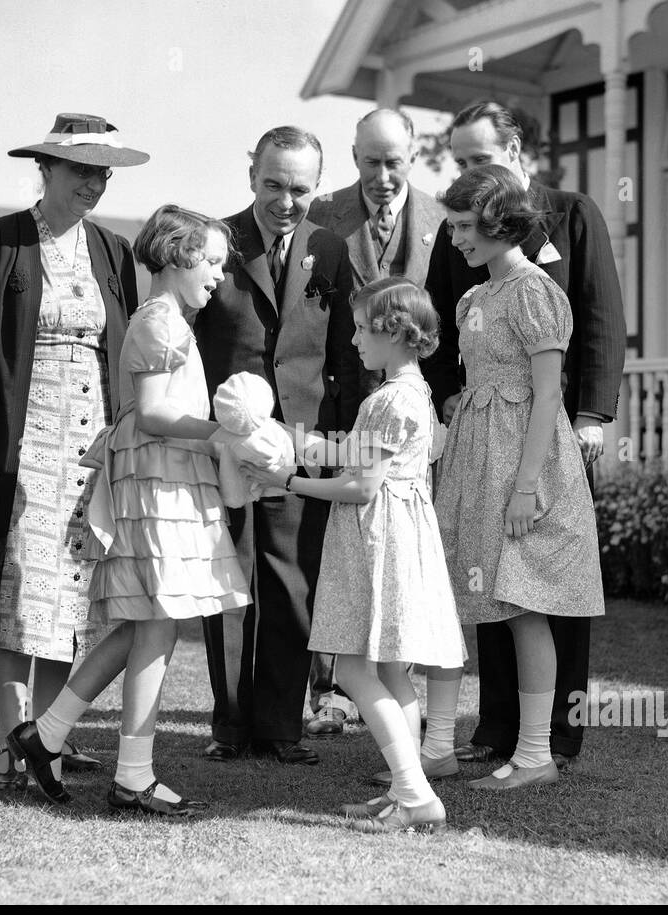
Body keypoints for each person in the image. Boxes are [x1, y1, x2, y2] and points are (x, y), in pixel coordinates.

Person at [7, 205, 250, 816]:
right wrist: (221, 430)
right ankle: (131, 774)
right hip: (156, 487)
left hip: (167, 483)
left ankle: (49, 732)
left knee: (146, 623)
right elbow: (152, 415)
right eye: (213, 262)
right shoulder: (161, 322)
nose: (219, 277)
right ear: (177, 256)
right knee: (158, 623)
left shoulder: (171, 322)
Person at [423, 101, 624, 771]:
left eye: (479, 159)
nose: (468, 172)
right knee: (490, 582)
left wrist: (592, 415)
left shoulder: (570, 215)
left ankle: (551, 740)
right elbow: (441, 332)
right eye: (459, 162)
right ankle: (496, 729)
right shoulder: (463, 237)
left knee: (547, 585)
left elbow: (599, 317)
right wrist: (452, 394)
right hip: (482, 431)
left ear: (512, 149)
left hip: (548, 431)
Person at [0, 114, 146, 792]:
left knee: (72, 593)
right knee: (17, 583)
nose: (94, 183)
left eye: (103, 172)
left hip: (91, 438)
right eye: (80, 170)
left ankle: (50, 738)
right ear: (46, 170)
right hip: (21, 433)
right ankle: (11, 738)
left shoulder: (112, 250)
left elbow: (123, 347)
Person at [244, 277, 464, 832]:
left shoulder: (388, 399)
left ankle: (416, 794)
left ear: (396, 332)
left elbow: (362, 486)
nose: (357, 338)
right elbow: (359, 455)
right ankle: (404, 788)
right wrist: (301, 441)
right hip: (397, 535)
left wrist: (291, 482)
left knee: (354, 666)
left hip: (377, 540)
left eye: (365, 328)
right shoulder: (411, 393)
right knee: (390, 670)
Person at [192, 126, 359, 766]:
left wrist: (337, 442)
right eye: (273, 185)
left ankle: (281, 727)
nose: (285, 200)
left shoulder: (330, 248)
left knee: (293, 589)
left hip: (302, 448)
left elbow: (346, 353)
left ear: (315, 188)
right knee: (228, 584)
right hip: (227, 446)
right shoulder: (215, 241)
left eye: (300, 189)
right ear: (251, 175)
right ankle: (230, 728)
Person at [303, 107, 446, 737]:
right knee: (335, 561)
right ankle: (327, 692)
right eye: (370, 161)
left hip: (406, 415)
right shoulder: (321, 214)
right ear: (353, 155)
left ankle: (387, 693)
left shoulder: (444, 221)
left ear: (412, 155)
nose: (382, 176)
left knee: (394, 571)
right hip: (340, 408)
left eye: (394, 162)